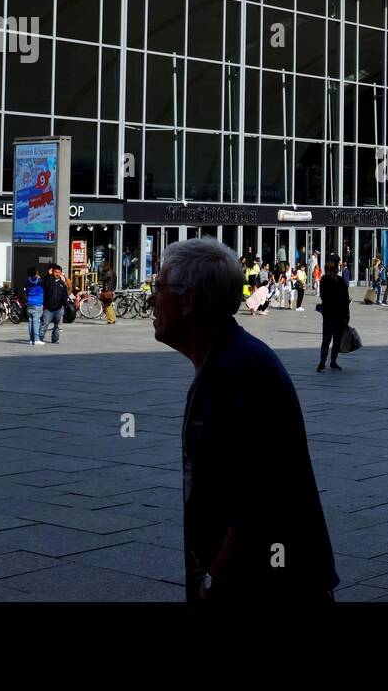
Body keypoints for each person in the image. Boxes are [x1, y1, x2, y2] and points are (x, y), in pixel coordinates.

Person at [150, 238, 338, 601]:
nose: (152, 300)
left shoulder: (241, 371)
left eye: (160, 288)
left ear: (188, 300)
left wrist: (214, 581)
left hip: (266, 587)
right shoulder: (222, 363)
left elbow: (257, 498)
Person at [316, 255, 350, 372]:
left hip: (331, 314)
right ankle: (329, 361)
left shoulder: (327, 280)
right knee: (332, 340)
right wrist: (347, 316)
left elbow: (344, 299)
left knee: (328, 339)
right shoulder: (331, 281)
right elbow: (345, 300)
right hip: (336, 314)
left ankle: (325, 362)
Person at [39, 264, 73, 344]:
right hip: (48, 308)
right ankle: (39, 339)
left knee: (57, 326)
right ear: (52, 272)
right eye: (55, 272)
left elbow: (66, 294)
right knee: (44, 324)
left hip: (59, 308)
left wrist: (64, 305)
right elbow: (42, 283)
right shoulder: (48, 281)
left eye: (59, 272)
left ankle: (55, 339)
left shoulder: (62, 283)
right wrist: (48, 275)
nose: (57, 274)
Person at [24, 266, 45, 345]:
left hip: (29, 303)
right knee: (36, 321)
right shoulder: (39, 281)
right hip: (37, 303)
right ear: (36, 273)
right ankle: (36, 340)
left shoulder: (27, 281)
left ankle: (31, 339)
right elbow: (44, 282)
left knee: (31, 321)